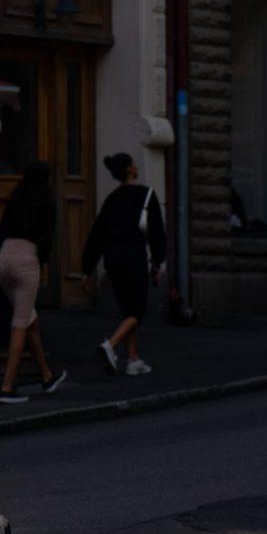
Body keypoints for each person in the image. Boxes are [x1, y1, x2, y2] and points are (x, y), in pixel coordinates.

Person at [82, 153, 170, 376]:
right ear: (130, 169)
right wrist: (158, 262)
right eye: (133, 163)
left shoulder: (111, 199)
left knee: (127, 309)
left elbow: (97, 235)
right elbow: (157, 232)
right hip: (134, 256)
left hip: (112, 258)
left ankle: (133, 360)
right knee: (138, 311)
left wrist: (87, 268)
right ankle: (110, 345)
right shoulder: (147, 194)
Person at [0, 160, 68, 404]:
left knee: (29, 319)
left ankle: (47, 376)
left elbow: (1, 229)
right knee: (20, 325)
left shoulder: (16, 196)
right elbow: (47, 237)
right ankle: (7, 388)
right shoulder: (46, 200)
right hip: (26, 260)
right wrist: (42, 261)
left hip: (4, 257)